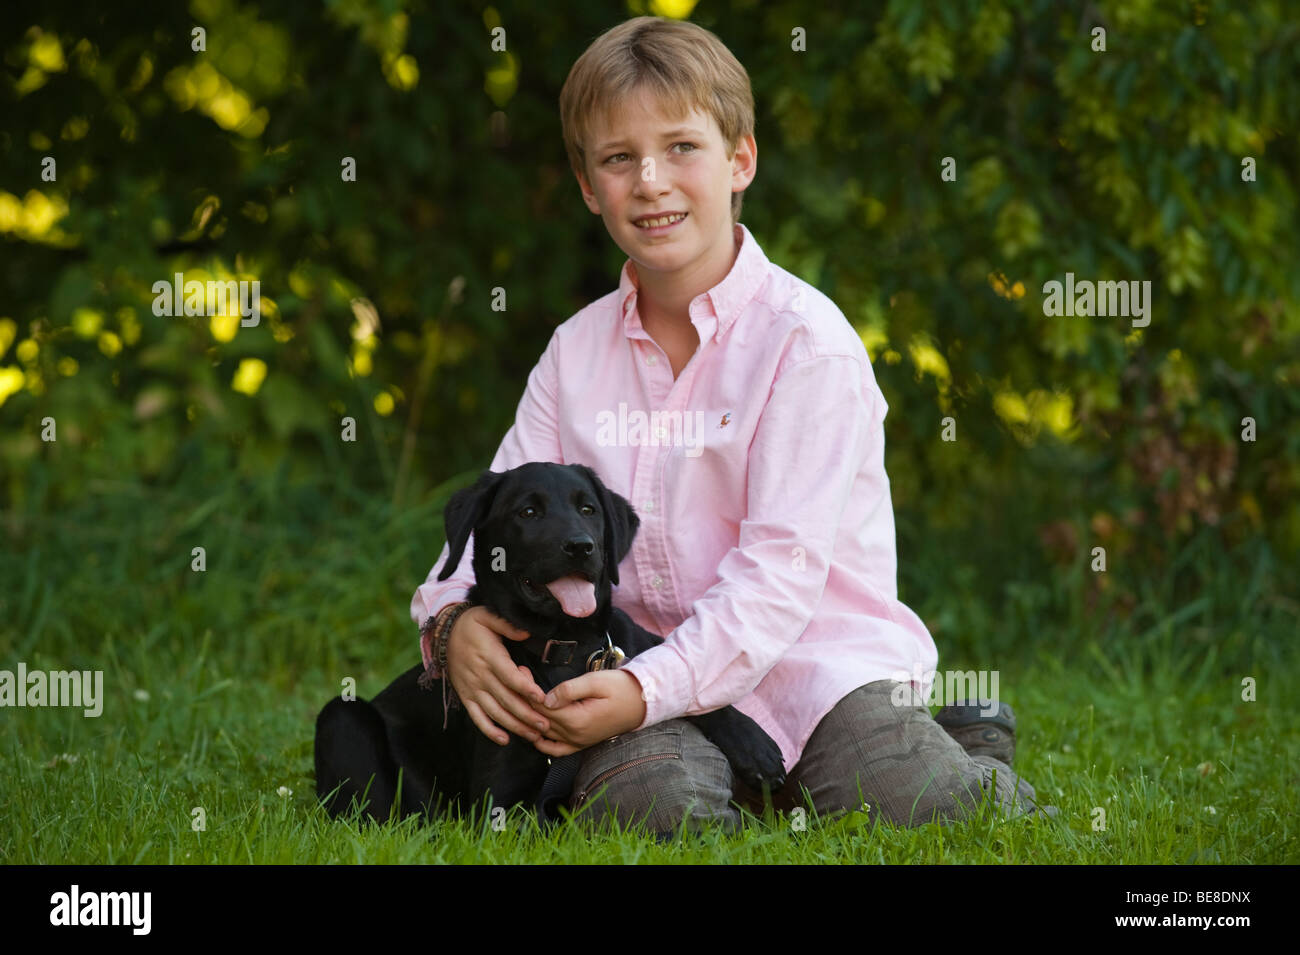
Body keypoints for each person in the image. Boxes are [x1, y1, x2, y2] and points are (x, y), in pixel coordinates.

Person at [412, 15, 1052, 835]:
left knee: (921, 803)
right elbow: (493, 517)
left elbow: (777, 579)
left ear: (740, 159)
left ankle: (965, 744)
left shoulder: (806, 346)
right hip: (632, 668)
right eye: (618, 158)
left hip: (811, 666)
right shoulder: (574, 355)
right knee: (653, 808)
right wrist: (452, 620)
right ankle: (748, 780)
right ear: (587, 185)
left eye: (682, 147)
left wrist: (651, 688)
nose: (650, 181)